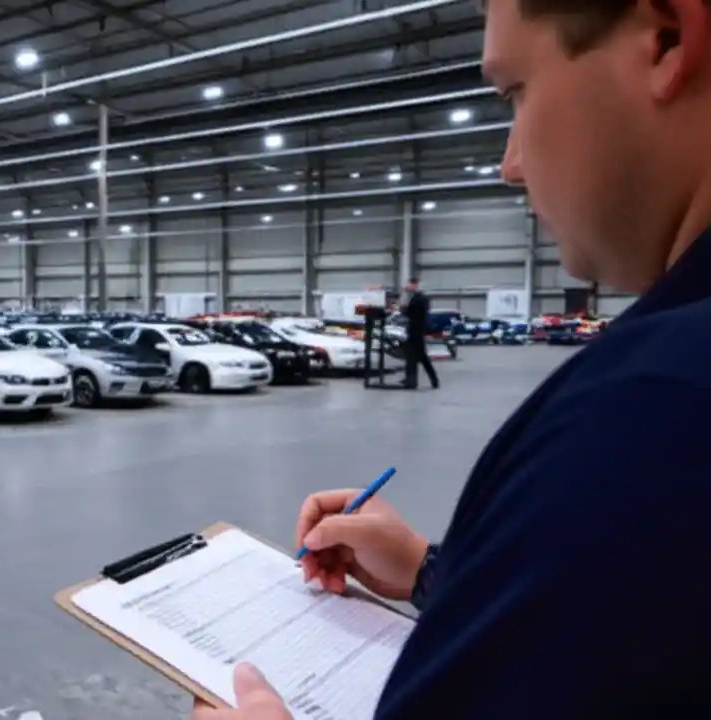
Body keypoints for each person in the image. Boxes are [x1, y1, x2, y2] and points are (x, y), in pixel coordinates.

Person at [193, 0, 711, 717]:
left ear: (668, 37)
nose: (510, 165)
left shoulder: (655, 411)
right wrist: (435, 573)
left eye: (515, 92)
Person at [398, 278, 438, 389]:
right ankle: (430, 380)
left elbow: (411, 312)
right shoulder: (420, 298)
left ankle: (412, 381)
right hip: (417, 331)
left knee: (413, 357)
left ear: (415, 286)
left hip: (416, 331)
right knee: (418, 357)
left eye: (410, 285)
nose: (408, 287)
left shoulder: (419, 299)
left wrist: (403, 309)